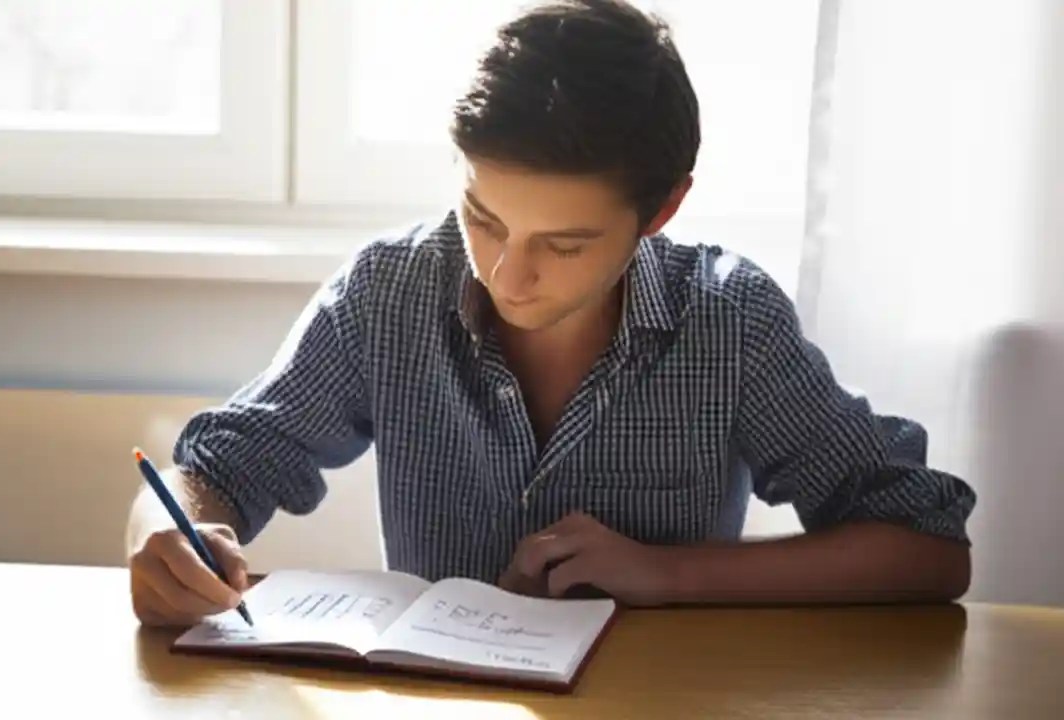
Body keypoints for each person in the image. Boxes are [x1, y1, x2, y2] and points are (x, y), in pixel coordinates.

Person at [126, 0, 976, 626]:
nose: (506, 272)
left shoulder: (730, 322)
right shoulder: (387, 292)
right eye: (483, 217)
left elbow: (928, 547)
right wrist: (167, 537)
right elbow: (217, 468)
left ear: (662, 210)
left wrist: (670, 574)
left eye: (563, 245)